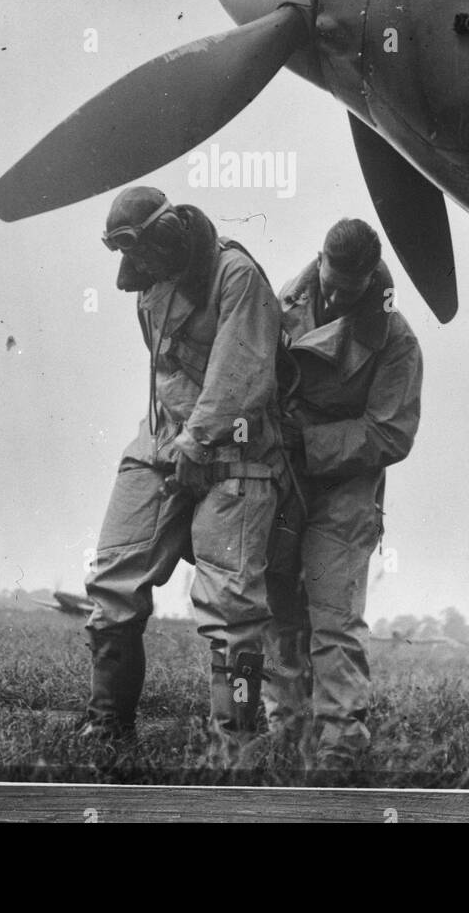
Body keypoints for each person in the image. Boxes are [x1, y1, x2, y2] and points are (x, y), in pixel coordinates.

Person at [80, 186, 284, 770]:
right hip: (164, 441)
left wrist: (196, 442)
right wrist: (172, 446)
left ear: (167, 239)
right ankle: (107, 729)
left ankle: (238, 748)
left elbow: (240, 374)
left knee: (231, 611)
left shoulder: (236, 276)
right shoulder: (149, 285)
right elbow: (168, 377)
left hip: (236, 451)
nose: (135, 268)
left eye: (141, 252)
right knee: (113, 586)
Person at [264, 218, 423, 779]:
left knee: (333, 612)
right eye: (328, 283)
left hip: (347, 486)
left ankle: (341, 741)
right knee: (278, 600)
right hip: (285, 477)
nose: (332, 297)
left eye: (347, 293)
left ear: (370, 282)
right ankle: (284, 725)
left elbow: (390, 433)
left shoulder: (397, 340)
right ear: (320, 261)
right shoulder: (288, 299)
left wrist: (306, 441)